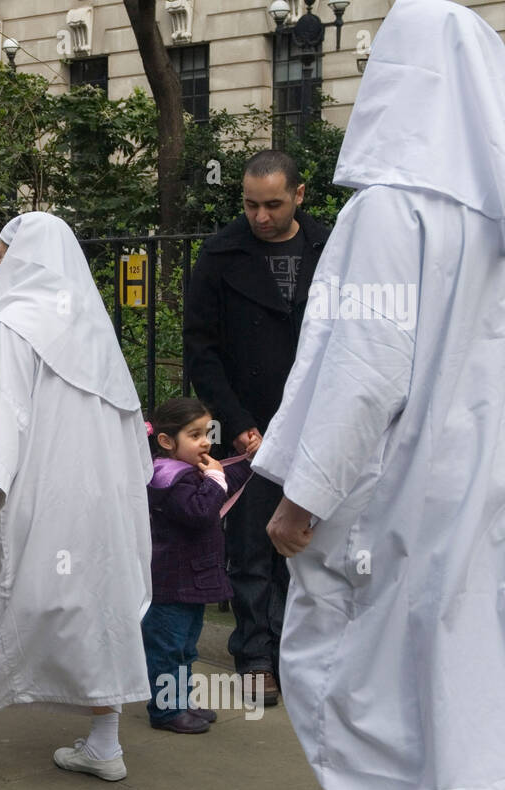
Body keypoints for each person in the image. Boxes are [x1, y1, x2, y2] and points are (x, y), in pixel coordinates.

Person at [254, 0, 505, 790]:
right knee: (481, 708)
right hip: (501, 501)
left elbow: (364, 372)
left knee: (395, 706)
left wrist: (300, 497)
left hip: (410, 510)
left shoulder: (389, 213)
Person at [0, 211, 154, 782]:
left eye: (0, 256)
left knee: (7, 599)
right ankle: (104, 743)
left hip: (39, 497)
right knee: (98, 608)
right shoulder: (94, 334)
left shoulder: (15, 325)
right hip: (103, 503)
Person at [183, 149, 331, 705]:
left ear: (298, 195)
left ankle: (302, 652)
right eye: (250, 204)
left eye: (272, 204)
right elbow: (202, 349)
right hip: (245, 422)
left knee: (311, 544)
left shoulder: (332, 248)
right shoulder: (220, 254)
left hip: (319, 424)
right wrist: (238, 423)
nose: (261, 216)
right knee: (248, 546)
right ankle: (256, 657)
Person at [143, 397, 253, 734]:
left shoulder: (189, 473)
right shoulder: (167, 479)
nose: (205, 441)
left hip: (188, 581)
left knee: (186, 648)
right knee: (167, 649)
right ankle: (165, 711)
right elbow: (201, 511)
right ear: (166, 441)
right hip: (170, 583)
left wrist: (249, 461)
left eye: (206, 433)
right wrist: (217, 480)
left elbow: (220, 483)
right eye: (195, 435)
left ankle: (180, 700)